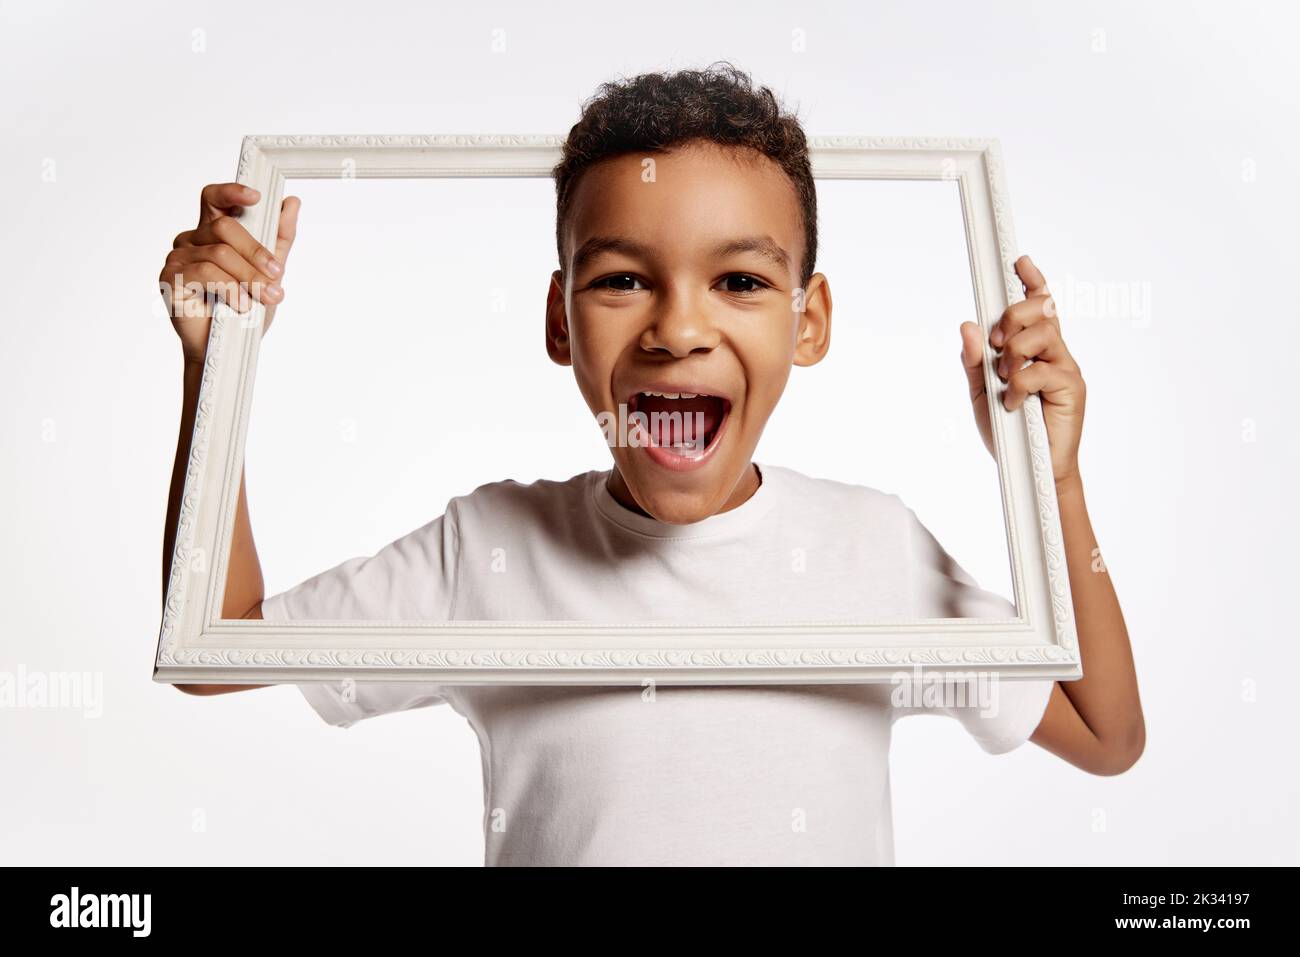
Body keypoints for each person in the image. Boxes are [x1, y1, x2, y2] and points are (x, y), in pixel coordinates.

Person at [157, 63, 1143, 866]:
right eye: (623, 279)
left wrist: (1052, 479)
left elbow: (1103, 734)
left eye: (740, 281)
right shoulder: (489, 552)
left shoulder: (871, 549)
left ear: (809, 324)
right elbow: (218, 650)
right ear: (559, 321)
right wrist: (215, 367)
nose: (678, 328)